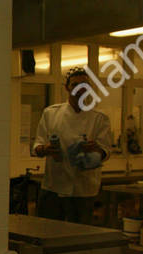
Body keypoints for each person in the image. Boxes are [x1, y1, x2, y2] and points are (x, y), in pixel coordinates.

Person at [32, 67, 113, 224]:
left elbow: (106, 151)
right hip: (54, 186)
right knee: (48, 230)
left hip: (84, 189)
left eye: (84, 85)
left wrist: (95, 149)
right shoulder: (51, 113)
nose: (80, 89)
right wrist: (45, 149)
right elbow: (37, 145)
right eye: (75, 84)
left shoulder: (99, 118)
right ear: (67, 88)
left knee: (80, 235)